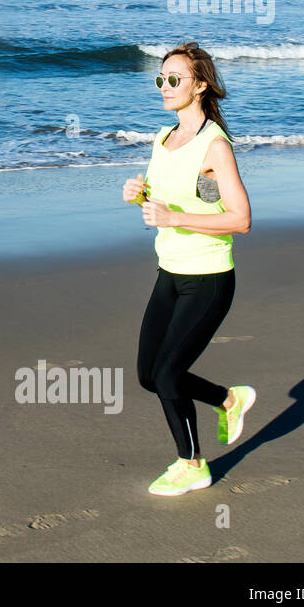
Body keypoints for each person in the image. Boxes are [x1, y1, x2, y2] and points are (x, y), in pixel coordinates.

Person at [122, 41, 256, 496]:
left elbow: (240, 219)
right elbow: (169, 198)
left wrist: (173, 217)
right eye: (160, 78)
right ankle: (228, 399)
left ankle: (192, 463)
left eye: (174, 79)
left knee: (167, 374)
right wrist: (138, 193)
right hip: (170, 272)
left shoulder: (213, 146)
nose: (165, 86)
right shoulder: (163, 138)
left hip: (209, 278)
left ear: (200, 85)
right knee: (147, 374)